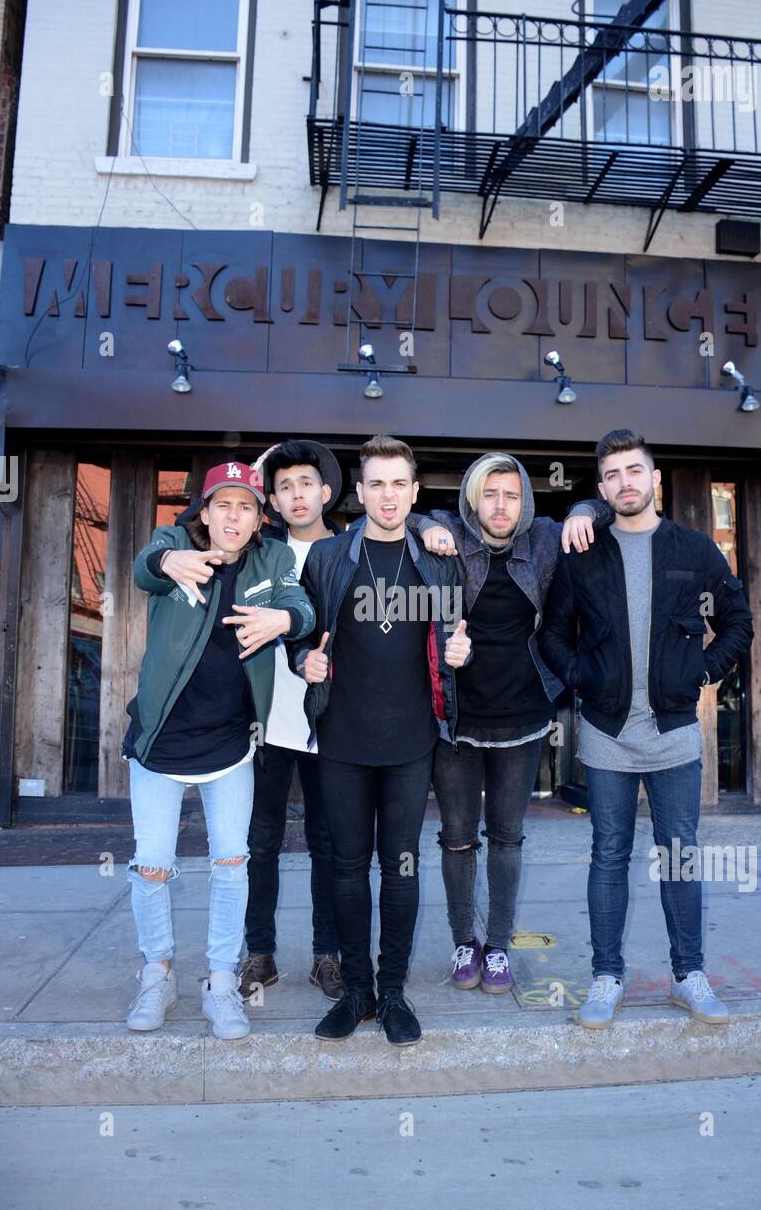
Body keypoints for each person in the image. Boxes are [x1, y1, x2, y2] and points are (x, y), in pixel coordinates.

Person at [539, 429, 754, 1028]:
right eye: (611, 476)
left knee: (680, 855)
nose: (624, 483)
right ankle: (606, 977)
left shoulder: (695, 548)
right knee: (608, 856)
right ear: (602, 487)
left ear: (654, 479)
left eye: (634, 471)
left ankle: (688, 974)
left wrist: (704, 671)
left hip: (674, 734)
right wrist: (583, 677)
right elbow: (551, 633)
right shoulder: (583, 554)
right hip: (607, 733)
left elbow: (738, 618)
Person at [122, 461, 315, 1039]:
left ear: (260, 519)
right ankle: (156, 973)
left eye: (246, 506)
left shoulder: (273, 558)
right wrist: (165, 561)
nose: (234, 516)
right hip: (161, 741)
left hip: (232, 744)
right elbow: (143, 569)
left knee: (232, 866)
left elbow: (302, 608)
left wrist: (284, 618)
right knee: (152, 867)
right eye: (222, 505)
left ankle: (222, 981)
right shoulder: (174, 543)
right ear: (204, 512)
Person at [289, 435, 470, 1046]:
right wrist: (301, 664)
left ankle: (392, 992)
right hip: (341, 739)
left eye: (400, 484)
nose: (388, 495)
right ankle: (357, 990)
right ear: (359, 492)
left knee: (401, 868)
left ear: (414, 494)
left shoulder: (438, 559)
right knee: (344, 868)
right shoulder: (328, 559)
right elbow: (303, 635)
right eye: (377, 484)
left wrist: (458, 653)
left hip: (411, 743)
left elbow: (453, 637)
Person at [411, 455, 610, 993]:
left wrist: (585, 509)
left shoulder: (544, 539)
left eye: (511, 494)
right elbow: (406, 515)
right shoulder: (450, 533)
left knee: (507, 836)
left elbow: (605, 509)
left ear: (525, 500)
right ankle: (462, 943)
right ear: (473, 498)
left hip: (523, 716)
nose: (500, 505)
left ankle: (497, 945)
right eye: (489, 494)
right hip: (455, 718)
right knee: (456, 838)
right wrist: (427, 525)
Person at [239, 439, 345, 1002]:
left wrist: (427, 525)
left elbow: (403, 513)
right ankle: (260, 953)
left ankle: (327, 955)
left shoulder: (352, 549)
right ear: (271, 500)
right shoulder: (260, 551)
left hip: (328, 723)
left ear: (326, 492)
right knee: (261, 843)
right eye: (283, 486)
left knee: (330, 844)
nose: (296, 494)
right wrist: (255, 472)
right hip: (264, 721)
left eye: (306, 483)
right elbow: (194, 517)